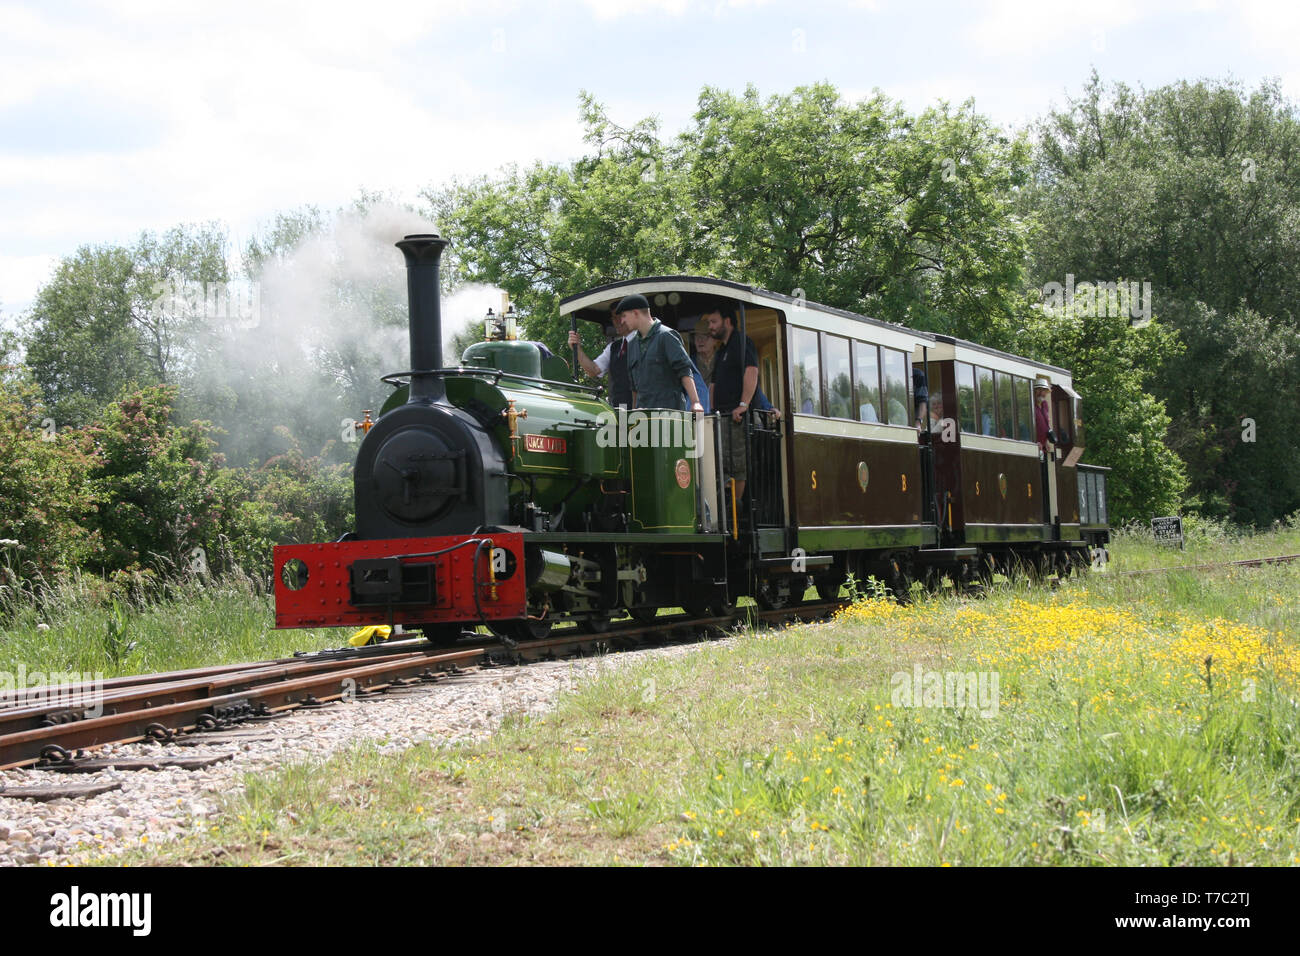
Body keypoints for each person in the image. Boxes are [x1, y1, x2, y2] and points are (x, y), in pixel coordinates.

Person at [705, 302, 759, 503]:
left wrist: (743, 405)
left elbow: (751, 371)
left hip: (736, 417)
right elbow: (713, 383)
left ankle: (735, 510)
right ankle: (725, 511)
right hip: (720, 417)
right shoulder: (721, 351)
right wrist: (711, 411)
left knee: (737, 466)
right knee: (721, 463)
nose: (710, 326)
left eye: (713, 321)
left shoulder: (742, 342)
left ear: (727, 321)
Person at [619, 294, 704, 412]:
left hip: (669, 415)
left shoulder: (666, 336)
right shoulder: (632, 344)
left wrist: (695, 403)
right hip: (643, 418)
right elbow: (634, 388)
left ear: (635, 313)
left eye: (624, 316)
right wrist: (633, 414)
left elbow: (684, 370)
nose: (622, 321)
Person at [568, 305, 635, 407]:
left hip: (642, 409)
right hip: (619, 409)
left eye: (619, 316)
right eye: (613, 318)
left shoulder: (643, 342)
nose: (616, 321)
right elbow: (593, 370)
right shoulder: (613, 347)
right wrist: (577, 348)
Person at [1034, 379, 1055, 452]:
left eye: (1044, 390)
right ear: (1034, 391)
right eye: (1039, 389)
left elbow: (1045, 424)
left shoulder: (1044, 404)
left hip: (1043, 447)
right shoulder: (1030, 405)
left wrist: (1046, 442)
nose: (1041, 393)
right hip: (1034, 446)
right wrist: (1033, 442)